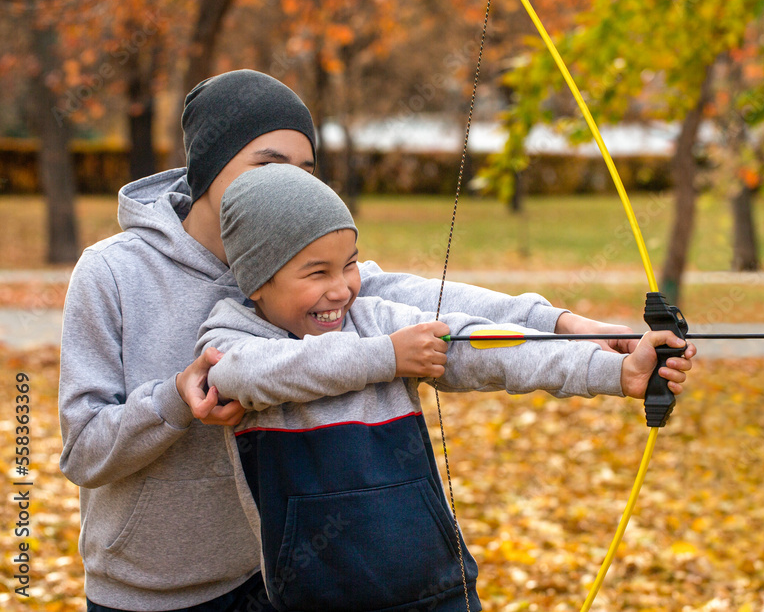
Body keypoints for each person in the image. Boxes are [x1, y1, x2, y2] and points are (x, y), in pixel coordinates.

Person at [57, 69, 695, 612]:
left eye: (307, 170)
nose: (291, 186)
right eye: (268, 164)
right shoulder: (113, 273)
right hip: (147, 592)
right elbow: (84, 451)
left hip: (277, 583)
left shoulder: (324, 276)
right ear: (208, 169)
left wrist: (571, 330)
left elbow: (448, 316)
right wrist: (173, 400)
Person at [194, 163, 689, 612]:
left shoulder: (376, 318)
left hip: (436, 587)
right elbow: (248, 374)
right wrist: (386, 357)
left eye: (349, 264)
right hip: (314, 600)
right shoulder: (234, 338)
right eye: (316, 271)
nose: (342, 288)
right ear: (257, 280)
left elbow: (482, 343)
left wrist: (612, 372)